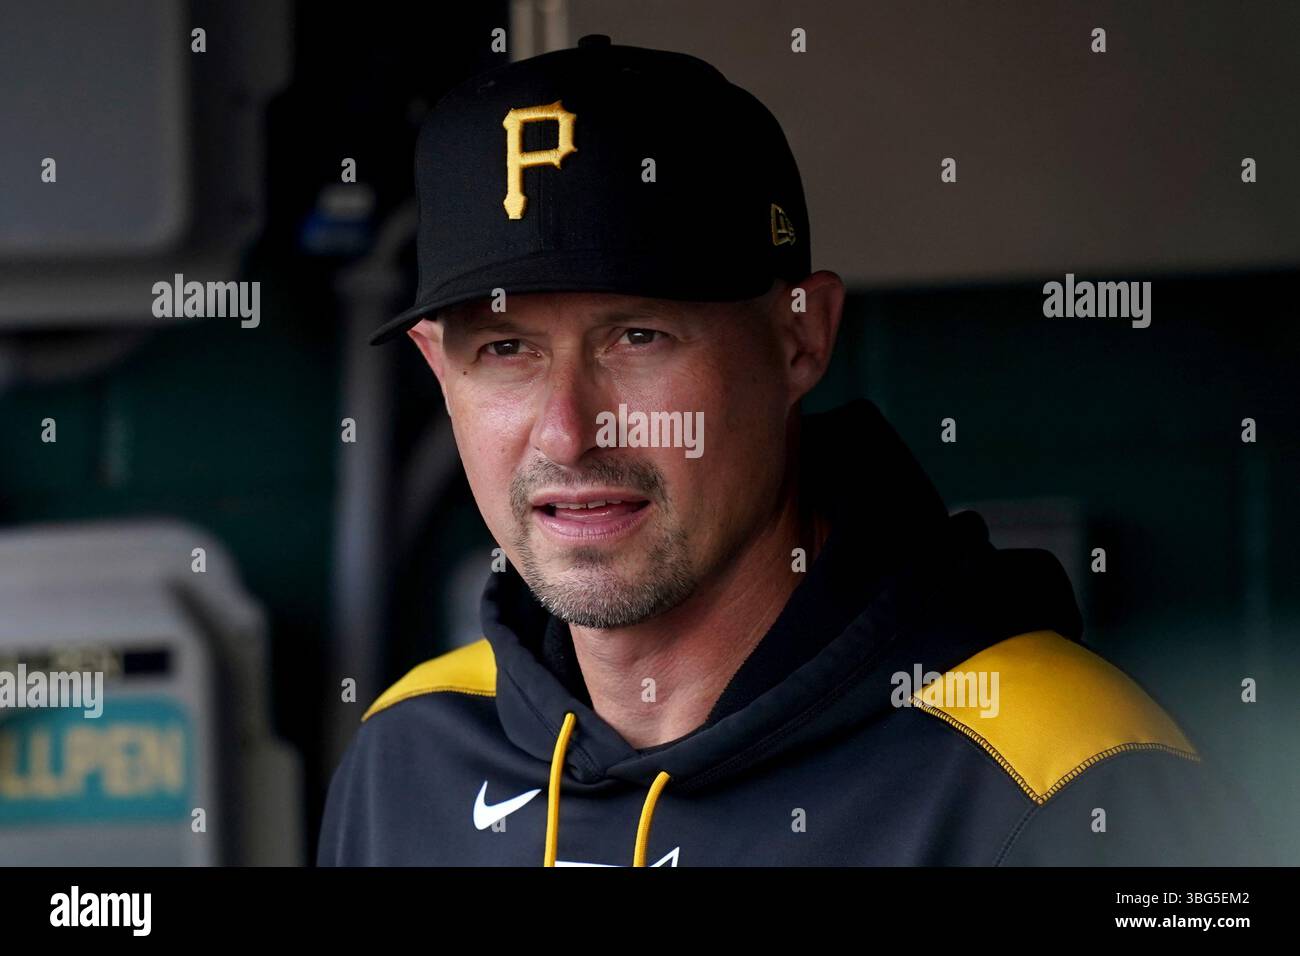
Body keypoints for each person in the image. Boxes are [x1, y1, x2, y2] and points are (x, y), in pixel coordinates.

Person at [318, 34, 1256, 866]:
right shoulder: (409, 754)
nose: (569, 431)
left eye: (639, 338)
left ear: (800, 338)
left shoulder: (1068, 782)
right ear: (440, 372)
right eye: (507, 350)